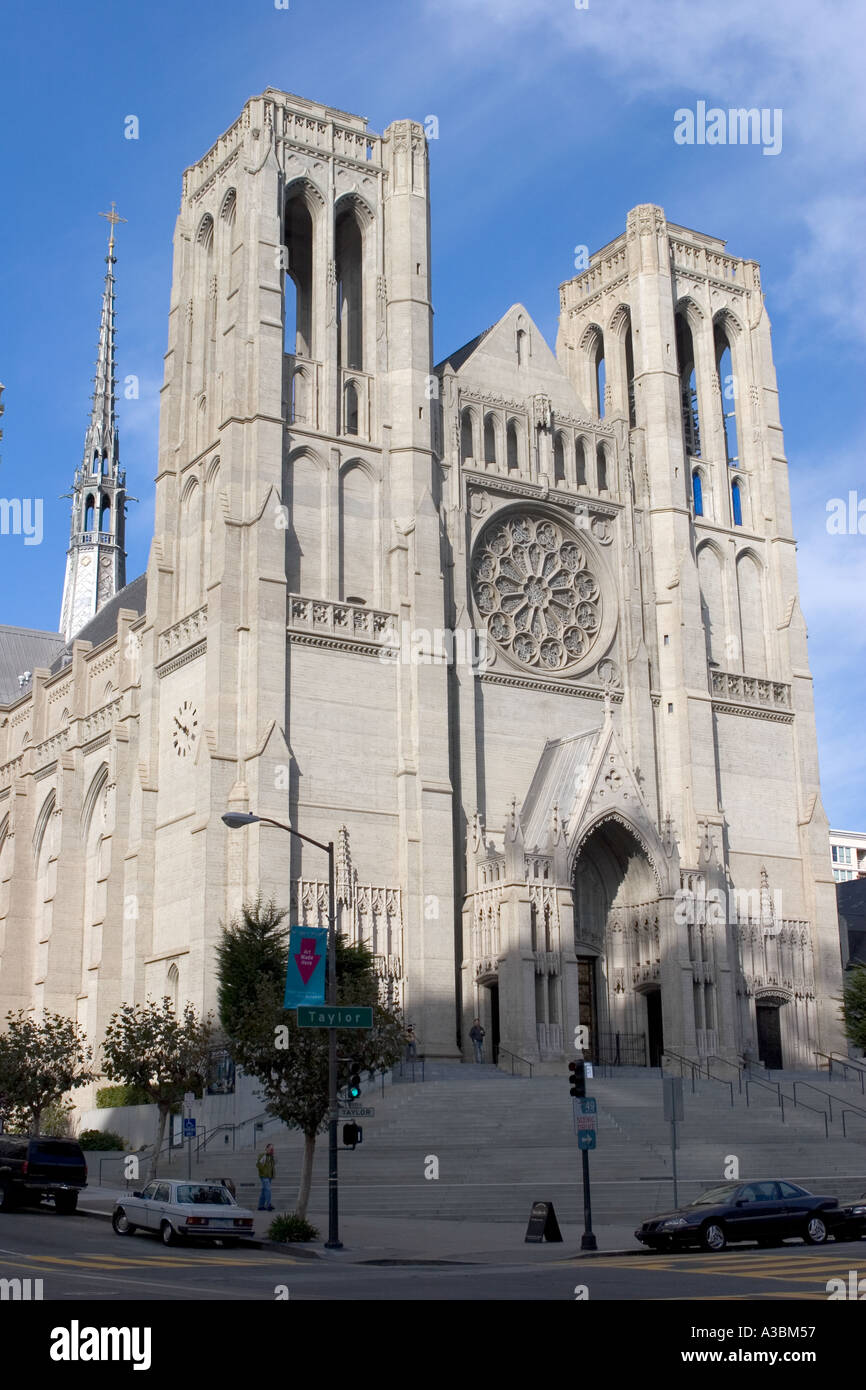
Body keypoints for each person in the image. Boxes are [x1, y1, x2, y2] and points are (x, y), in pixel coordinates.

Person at [256, 1142, 275, 1211]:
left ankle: (260, 1206)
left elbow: (272, 1166)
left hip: (269, 1176)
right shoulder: (263, 1155)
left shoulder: (271, 1157)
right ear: (266, 1149)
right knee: (268, 1189)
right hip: (264, 1176)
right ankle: (268, 1204)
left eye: (272, 1149)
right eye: (270, 1149)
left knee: (264, 1191)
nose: (271, 1150)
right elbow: (258, 1165)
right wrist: (263, 1171)